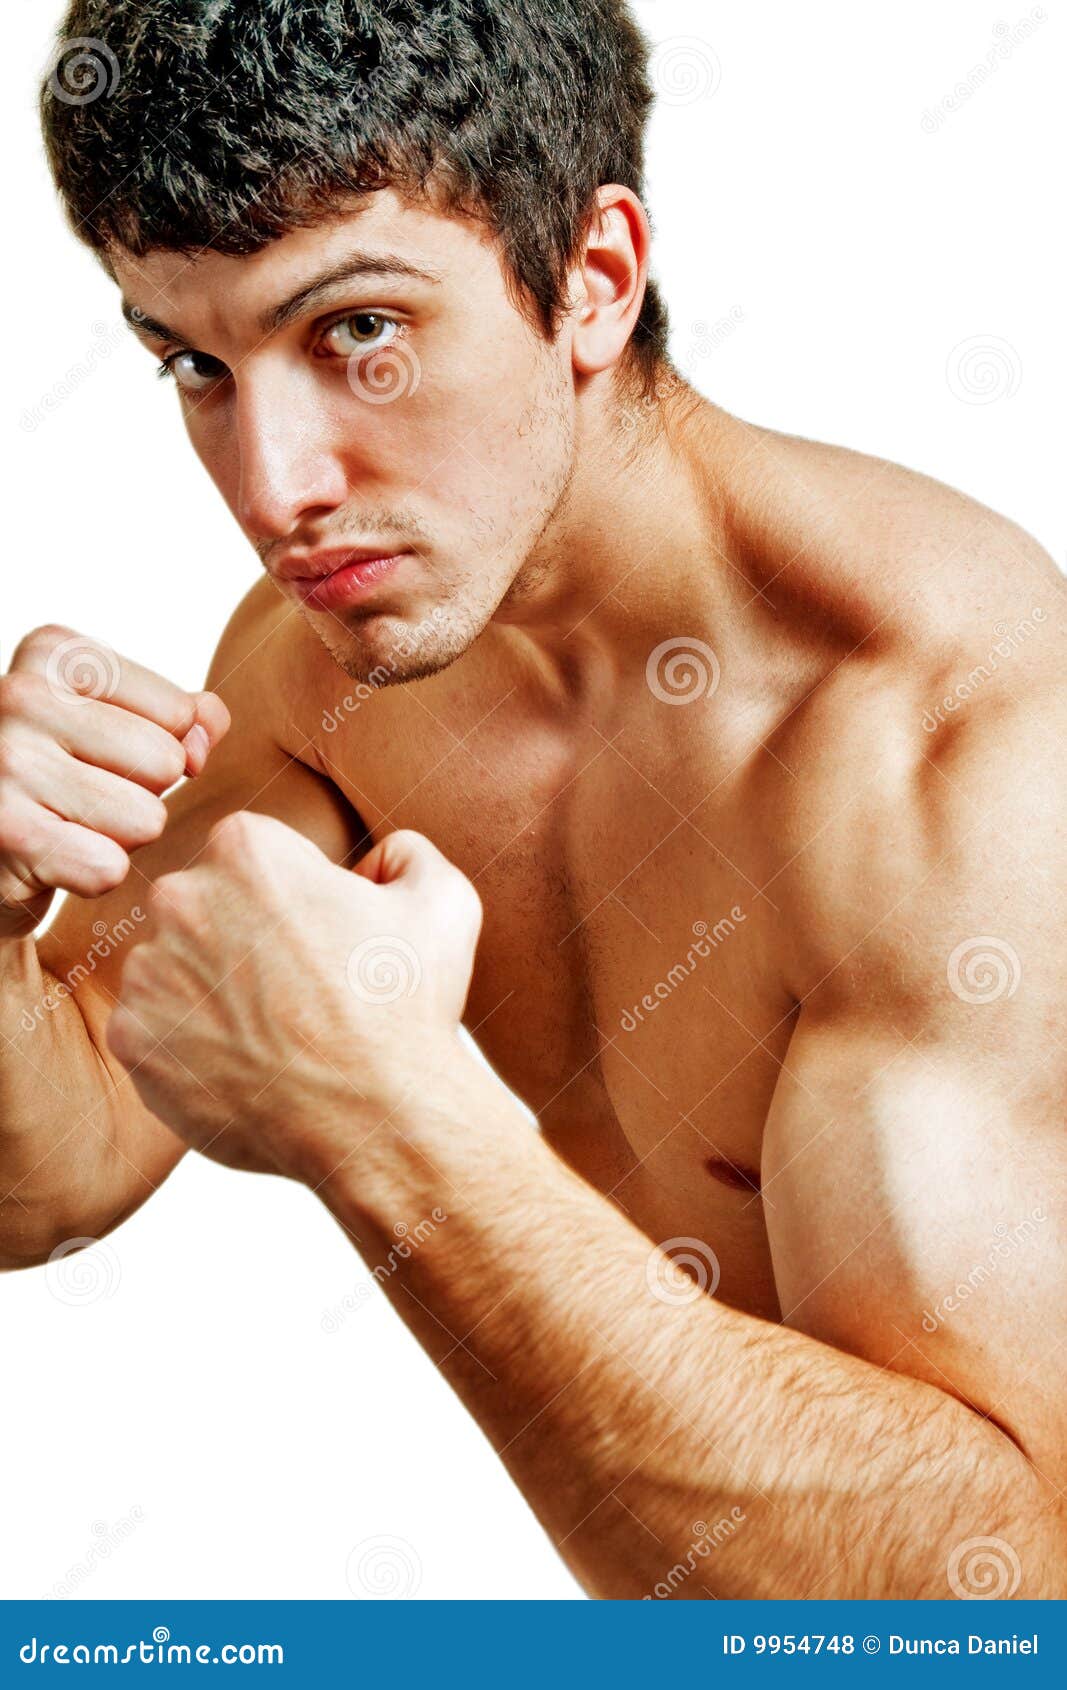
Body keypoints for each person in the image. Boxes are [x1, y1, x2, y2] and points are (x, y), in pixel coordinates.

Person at [2, 0, 1063, 1599]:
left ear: (593, 276)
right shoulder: (322, 669)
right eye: (195, 363)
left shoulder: (953, 743)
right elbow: (51, 1176)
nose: (275, 488)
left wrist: (382, 1113)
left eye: (358, 331)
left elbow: (1005, 1596)